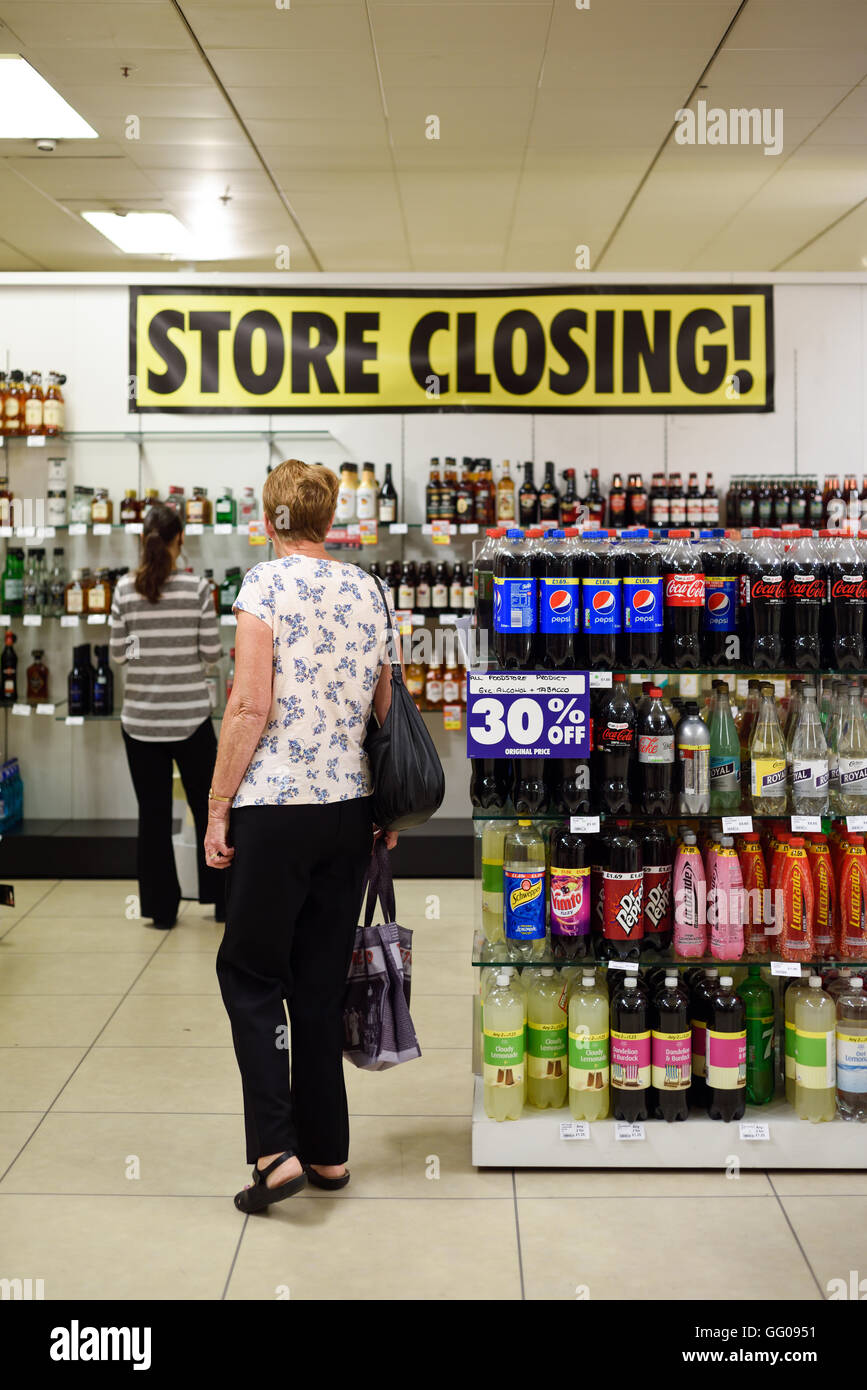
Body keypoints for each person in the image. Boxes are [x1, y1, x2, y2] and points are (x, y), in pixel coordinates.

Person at [205, 458, 397, 1213]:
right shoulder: (368, 588)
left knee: (251, 977)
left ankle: (274, 1151)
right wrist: (382, 809)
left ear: (269, 516)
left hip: (275, 809)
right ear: (329, 516)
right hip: (348, 809)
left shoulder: (264, 586)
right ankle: (327, 1153)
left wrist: (219, 803)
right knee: (319, 983)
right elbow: (385, 707)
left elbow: (249, 706)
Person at [109, 502, 225, 928]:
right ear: (181, 540)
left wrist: (147, 651)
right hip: (191, 720)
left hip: (140, 724)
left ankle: (161, 911)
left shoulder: (124, 590)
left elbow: (119, 654)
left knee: (153, 816)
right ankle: (222, 902)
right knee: (211, 810)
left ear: (144, 540)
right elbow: (211, 654)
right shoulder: (197, 590)